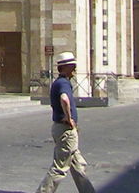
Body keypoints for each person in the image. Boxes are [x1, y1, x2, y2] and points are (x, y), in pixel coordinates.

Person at [36, 52, 96, 193]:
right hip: (65, 129)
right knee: (60, 167)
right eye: (72, 66)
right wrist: (69, 118)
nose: (75, 69)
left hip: (63, 129)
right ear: (66, 68)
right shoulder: (63, 83)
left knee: (78, 165)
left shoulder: (59, 82)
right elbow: (64, 99)